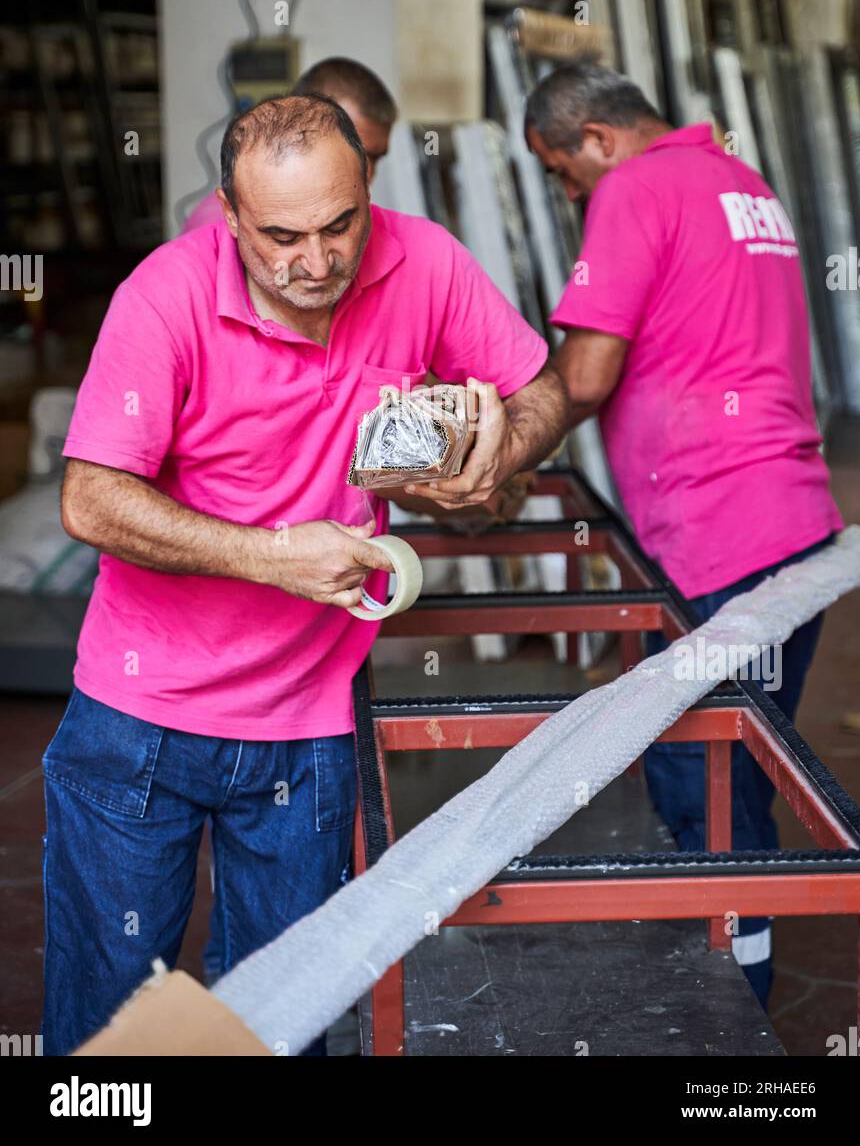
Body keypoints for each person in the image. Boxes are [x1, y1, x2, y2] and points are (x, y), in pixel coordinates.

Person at [42, 94, 567, 1056]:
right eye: (280, 236)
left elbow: (545, 388)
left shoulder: (427, 261)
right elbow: (91, 500)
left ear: (370, 190)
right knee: (109, 1028)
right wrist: (273, 555)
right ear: (229, 214)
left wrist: (500, 451)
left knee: (283, 1019)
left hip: (307, 723)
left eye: (339, 227)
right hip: (141, 717)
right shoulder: (164, 296)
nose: (315, 264)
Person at [522, 58, 844, 1009]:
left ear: (596, 139)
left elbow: (584, 375)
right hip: (793, 527)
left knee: (698, 769)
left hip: (718, 533)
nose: (568, 191)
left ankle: (723, 1016)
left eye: (562, 171)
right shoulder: (747, 186)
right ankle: (739, 983)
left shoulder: (632, 187)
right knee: (738, 762)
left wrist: (491, 446)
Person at [182, 57, 397, 232]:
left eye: (376, 158)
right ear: (298, 120)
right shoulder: (218, 229)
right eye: (356, 152)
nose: (368, 174)